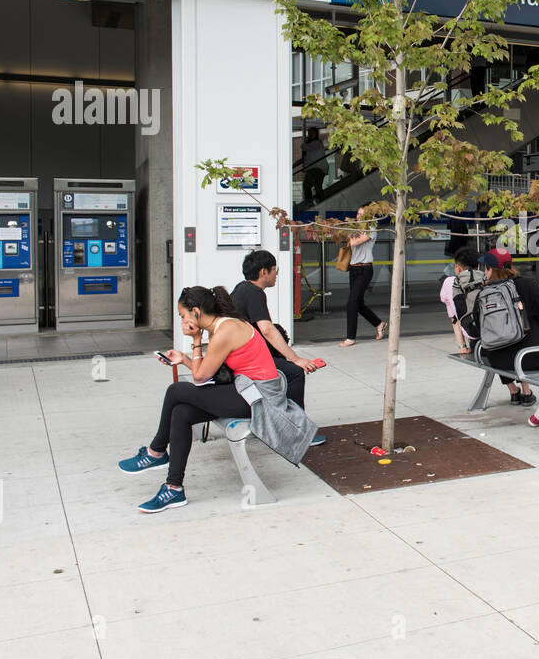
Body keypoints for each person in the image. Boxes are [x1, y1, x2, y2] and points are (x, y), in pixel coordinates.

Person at [118, 286, 316, 512]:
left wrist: (194, 340)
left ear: (195, 312)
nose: (182, 321)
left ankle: (156, 452)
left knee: (176, 392)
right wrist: (183, 358)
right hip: (244, 390)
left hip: (259, 399)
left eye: (183, 316)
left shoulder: (226, 331)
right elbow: (209, 372)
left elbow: (201, 377)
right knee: (181, 414)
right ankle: (173, 488)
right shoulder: (222, 326)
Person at [230, 250, 325, 445]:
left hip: (237, 357)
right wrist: (295, 359)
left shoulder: (242, 288)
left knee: (284, 367)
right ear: (264, 272)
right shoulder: (254, 293)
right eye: (275, 270)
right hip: (245, 362)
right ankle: (297, 432)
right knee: (294, 372)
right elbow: (267, 330)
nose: (277, 274)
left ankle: (280, 422)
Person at [471, 252, 539, 426]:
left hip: (498, 359)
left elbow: (478, 327)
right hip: (528, 356)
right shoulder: (528, 284)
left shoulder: (484, 293)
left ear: (489, 270)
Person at [452, 247, 534, 403]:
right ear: (478, 265)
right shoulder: (485, 277)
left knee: (495, 352)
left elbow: (459, 312)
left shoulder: (456, 282)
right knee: (512, 348)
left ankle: (513, 391)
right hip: (505, 330)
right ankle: (526, 391)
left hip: (480, 340)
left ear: (458, 266)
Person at [341, 206, 385, 348]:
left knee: (351, 303)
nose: (359, 217)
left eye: (362, 214)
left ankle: (350, 337)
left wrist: (350, 230)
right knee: (358, 303)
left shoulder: (371, 228)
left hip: (365, 269)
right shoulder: (355, 228)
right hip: (354, 269)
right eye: (358, 213)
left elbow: (354, 242)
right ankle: (378, 323)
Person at [301, 127, 327, 203]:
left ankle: (310, 201)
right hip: (316, 168)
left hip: (317, 168)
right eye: (309, 133)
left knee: (309, 185)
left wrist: (305, 142)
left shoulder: (317, 143)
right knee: (315, 186)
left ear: (316, 134)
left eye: (311, 133)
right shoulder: (315, 144)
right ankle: (317, 200)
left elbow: (304, 147)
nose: (309, 135)